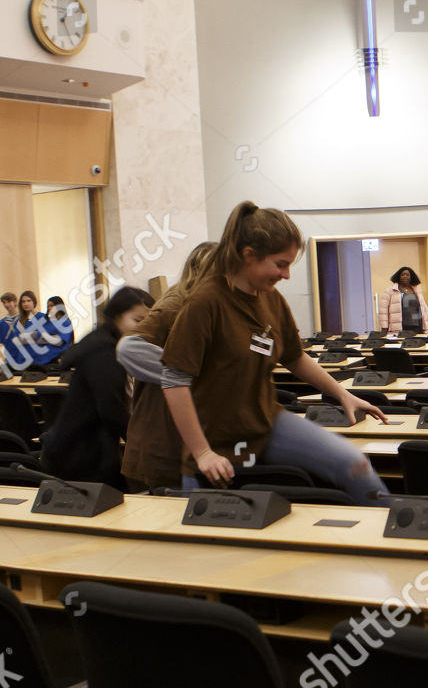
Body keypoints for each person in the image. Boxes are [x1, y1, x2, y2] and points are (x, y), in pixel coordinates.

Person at [160, 202, 389, 503]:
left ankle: (392, 536)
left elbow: (294, 356)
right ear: (249, 256)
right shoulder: (206, 303)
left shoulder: (272, 300)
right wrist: (202, 452)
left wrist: (342, 393)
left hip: (266, 423)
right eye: (280, 264)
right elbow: (174, 379)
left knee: (355, 465)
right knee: (209, 536)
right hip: (215, 438)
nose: (286, 274)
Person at [117, 241, 218, 491]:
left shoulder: (200, 305)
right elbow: (129, 348)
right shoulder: (178, 303)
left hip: (175, 446)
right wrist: (189, 375)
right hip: (161, 449)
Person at [39, 287, 155, 489]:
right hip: (81, 454)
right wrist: (142, 444)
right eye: (137, 320)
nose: (143, 327)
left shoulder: (104, 343)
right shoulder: (103, 351)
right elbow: (111, 408)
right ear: (117, 316)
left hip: (81, 449)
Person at [378, 266, 428, 335]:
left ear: (411, 277)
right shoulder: (389, 291)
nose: (405, 276)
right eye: (402, 275)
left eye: (407, 275)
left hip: (417, 326)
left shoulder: (417, 291)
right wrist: (384, 327)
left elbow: (424, 308)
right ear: (398, 277)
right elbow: (383, 310)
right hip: (400, 327)